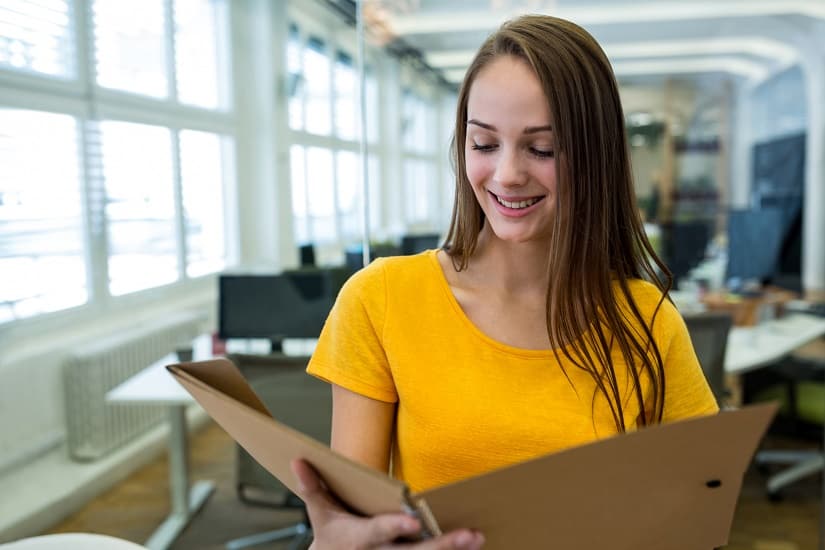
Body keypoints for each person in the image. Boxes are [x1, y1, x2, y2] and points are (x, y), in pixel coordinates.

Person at [290, 14, 718, 549]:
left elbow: (693, 520)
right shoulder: (381, 298)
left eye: (542, 148)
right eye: (484, 144)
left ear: (596, 157)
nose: (508, 173)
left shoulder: (643, 317)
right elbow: (355, 528)